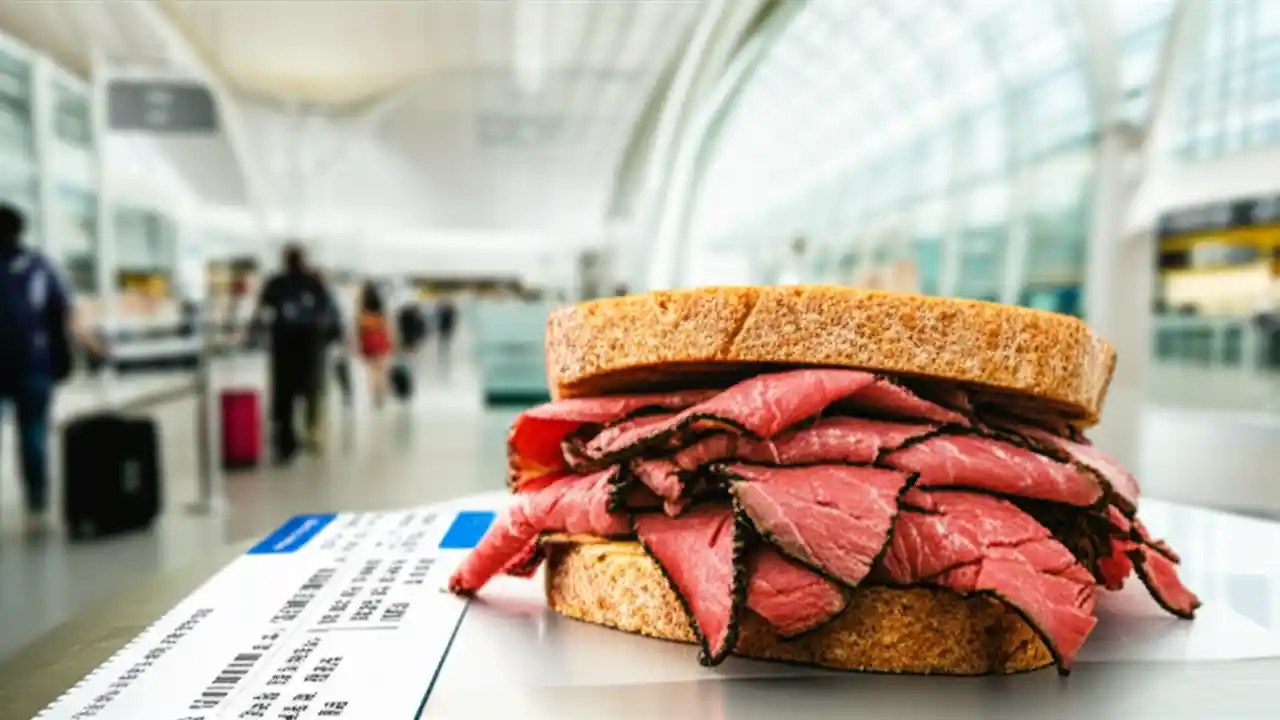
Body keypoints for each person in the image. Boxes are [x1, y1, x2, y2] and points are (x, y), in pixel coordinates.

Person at [0, 203, 72, 534]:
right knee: (34, 435)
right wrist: (63, 358)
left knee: (33, 435)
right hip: (34, 364)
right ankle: (37, 504)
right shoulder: (38, 266)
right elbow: (58, 314)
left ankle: (38, 502)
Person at [252, 243, 340, 464]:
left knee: (284, 399)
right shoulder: (315, 282)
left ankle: (286, 444)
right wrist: (329, 338)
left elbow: (262, 312)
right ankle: (313, 438)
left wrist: (256, 335)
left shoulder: (276, 283)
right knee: (313, 395)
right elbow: (331, 314)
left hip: (284, 349)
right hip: (312, 349)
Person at [356, 280, 393, 407]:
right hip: (380, 338)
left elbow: (359, 327)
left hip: (368, 339)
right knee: (381, 369)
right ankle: (381, 393)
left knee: (372, 371)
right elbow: (386, 324)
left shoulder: (362, 308)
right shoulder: (380, 307)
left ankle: (375, 394)